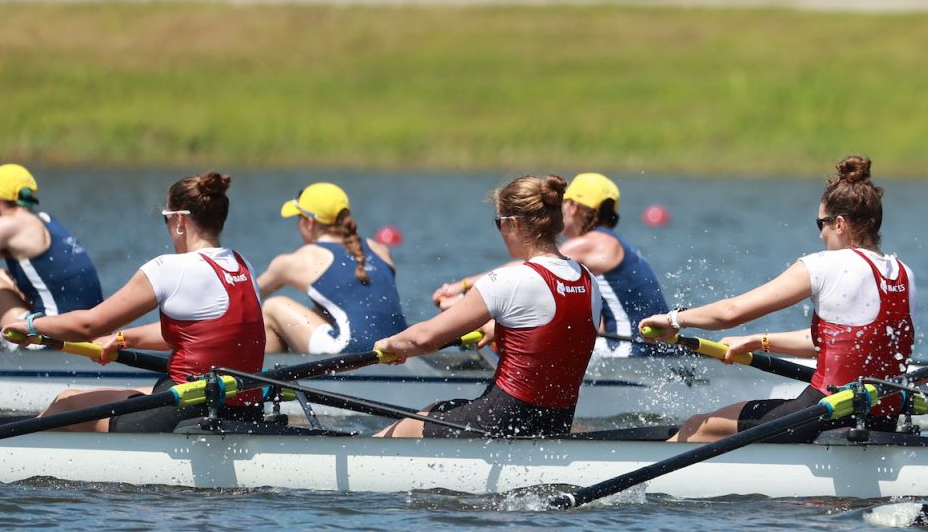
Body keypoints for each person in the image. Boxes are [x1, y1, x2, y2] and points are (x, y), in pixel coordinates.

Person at [640, 156, 913, 444]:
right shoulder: (902, 272)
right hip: (880, 416)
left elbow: (730, 313)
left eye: (821, 224)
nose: (820, 234)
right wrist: (757, 341)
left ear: (840, 224)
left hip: (821, 412)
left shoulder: (825, 264)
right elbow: (843, 342)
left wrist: (673, 320)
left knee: (698, 426)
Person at [18, 173, 266, 432]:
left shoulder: (170, 268)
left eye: (166, 219)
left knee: (66, 402)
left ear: (179, 220)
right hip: (243, 409)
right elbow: (203, 334)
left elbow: (88, 325)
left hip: (186, 411)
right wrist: (124, 338)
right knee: (143, 391)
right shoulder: (242, 265)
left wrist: (32, 325)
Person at [375, 175, 602, 438]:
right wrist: (501, 328)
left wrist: (390, 345)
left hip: (500, 422)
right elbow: (555, 333)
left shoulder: (510, 280)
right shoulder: (588, 280)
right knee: (441, 411)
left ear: (513, 224)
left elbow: (423, 339)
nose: (500, 232)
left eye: (499, 223)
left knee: (413, 421)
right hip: (554, 425)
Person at [432, 171, 669, 356]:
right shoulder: (617, 243)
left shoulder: (591, 244)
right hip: (649, 349)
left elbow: (535, 268)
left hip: (631, 352)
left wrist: (462, 288)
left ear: (573, 207)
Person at [257, 182, 409, 354]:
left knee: (272, 307)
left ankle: (268, 379)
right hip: (397, 348)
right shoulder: (380, 249)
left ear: (309, 223)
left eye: (299, 218)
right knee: (321, 312)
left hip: (351, 351)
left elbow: (245, 297)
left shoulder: (298, 260)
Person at [0, 164, 104, 331]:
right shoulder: (43, 219)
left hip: (54, 335)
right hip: (89, 328)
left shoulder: (8, 225)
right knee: (0, 276)